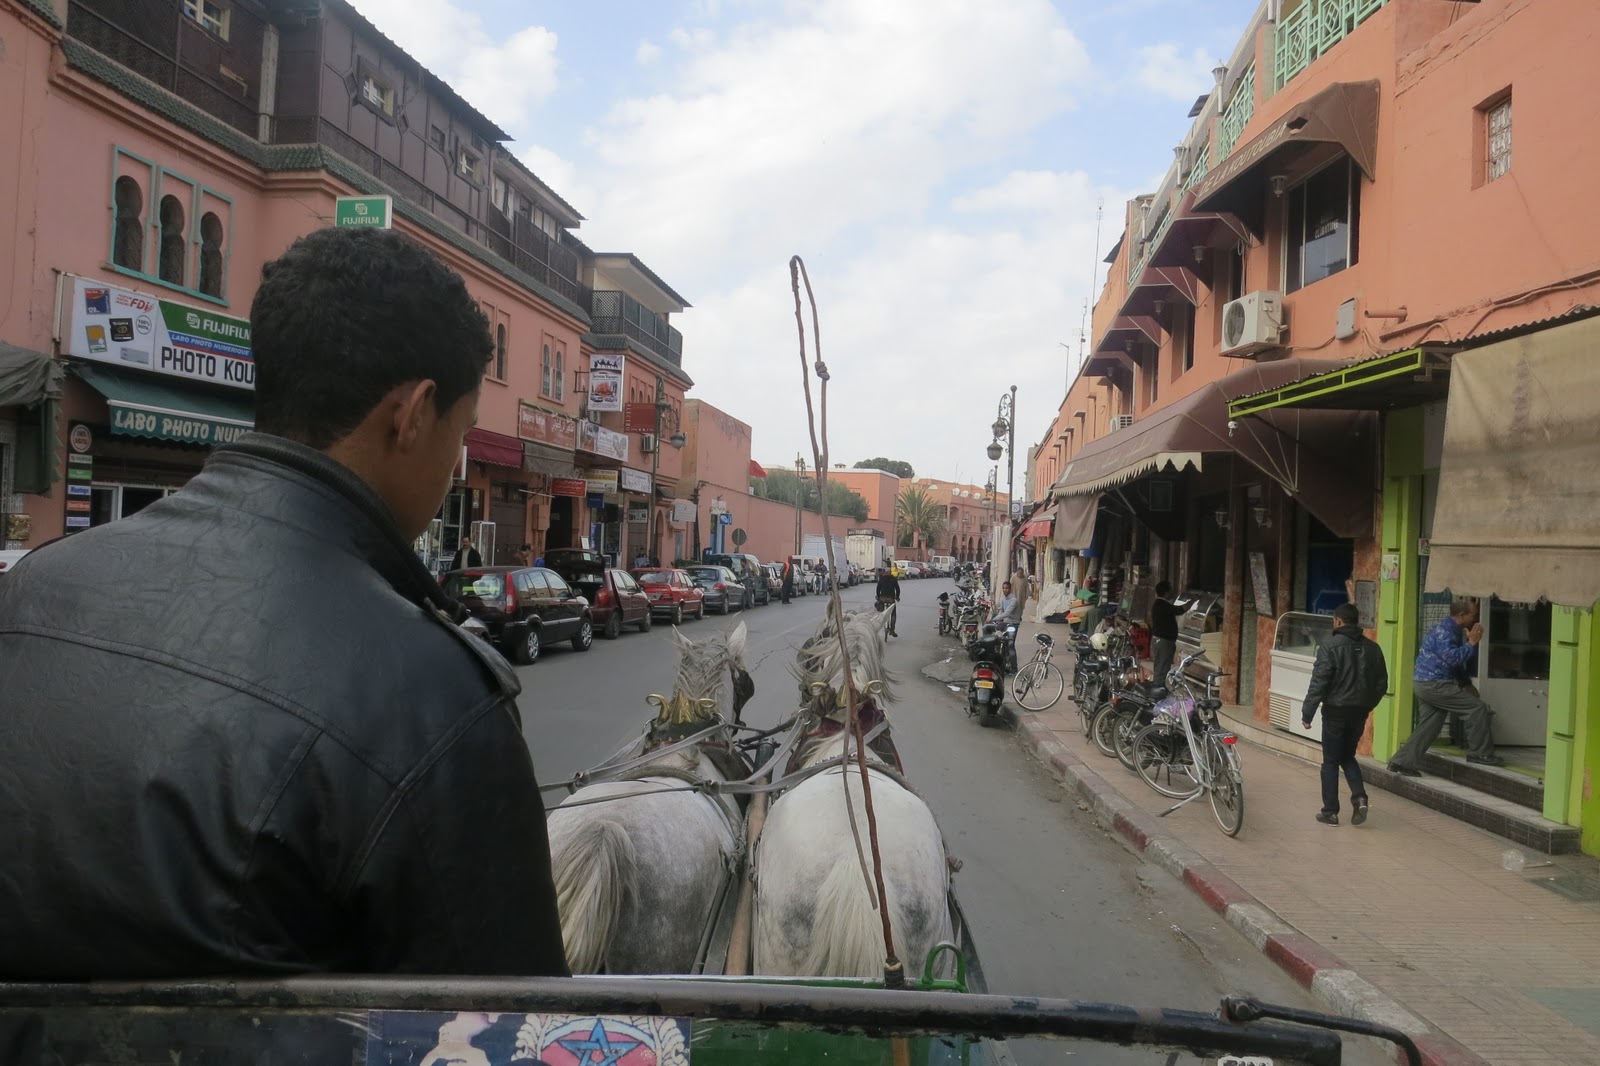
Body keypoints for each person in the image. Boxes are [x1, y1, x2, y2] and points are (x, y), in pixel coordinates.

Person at [0, 226, 568, 979]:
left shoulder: (33, 589)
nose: (451, 471)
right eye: (460, 434)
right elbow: (504, 1027)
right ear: (411, 413)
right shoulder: (433, 699)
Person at [1389, 597, 1501, 774]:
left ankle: (1401, 762)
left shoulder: (1453, 629)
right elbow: (1452, 659)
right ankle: (1480, 753)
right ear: (1461, 615)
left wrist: (1465, 683)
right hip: (1434, 685)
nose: (1475, 619)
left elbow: (1453, 664)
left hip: (1425, 683)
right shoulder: (1446, 631)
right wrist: (1472, 643)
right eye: (1474, 615)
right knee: (1477, 708)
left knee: (1430, 725)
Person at [1301, 602, 1389, 826]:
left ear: (1338, 621)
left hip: (1335, 712)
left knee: (1330, 761)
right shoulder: (1373, 648)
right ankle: (1359, 797)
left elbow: (1319, 682)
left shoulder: (1329, 646)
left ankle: (1330, 811)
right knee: (1348, 756)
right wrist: (1367, 705)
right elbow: (1381, 684)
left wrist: (1307, 713)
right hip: (1359, 712)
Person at [1149, 581, 1191, 685]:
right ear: (1166, 592)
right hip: (1163, 641)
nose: (1172, 593)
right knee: (1162, 667)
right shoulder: (1162, 604)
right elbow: (1179, 610)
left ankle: (1159, 687)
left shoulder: (1160, 604)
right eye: (1170, 590)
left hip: (1162, 640)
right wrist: (1191, 602)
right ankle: (1158, 691)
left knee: (1162, 666)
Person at [875, 564, 901, 637]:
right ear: (890, 572)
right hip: (891, 599)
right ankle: (892, 630)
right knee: (893, 614)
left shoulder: (881, 578)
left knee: (880, 609)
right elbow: (897, 589)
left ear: (884, 572)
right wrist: (897, 597)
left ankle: (880, 619)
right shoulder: (893, 579)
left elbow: (878, 588)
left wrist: (878, 596)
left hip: (882, 599)